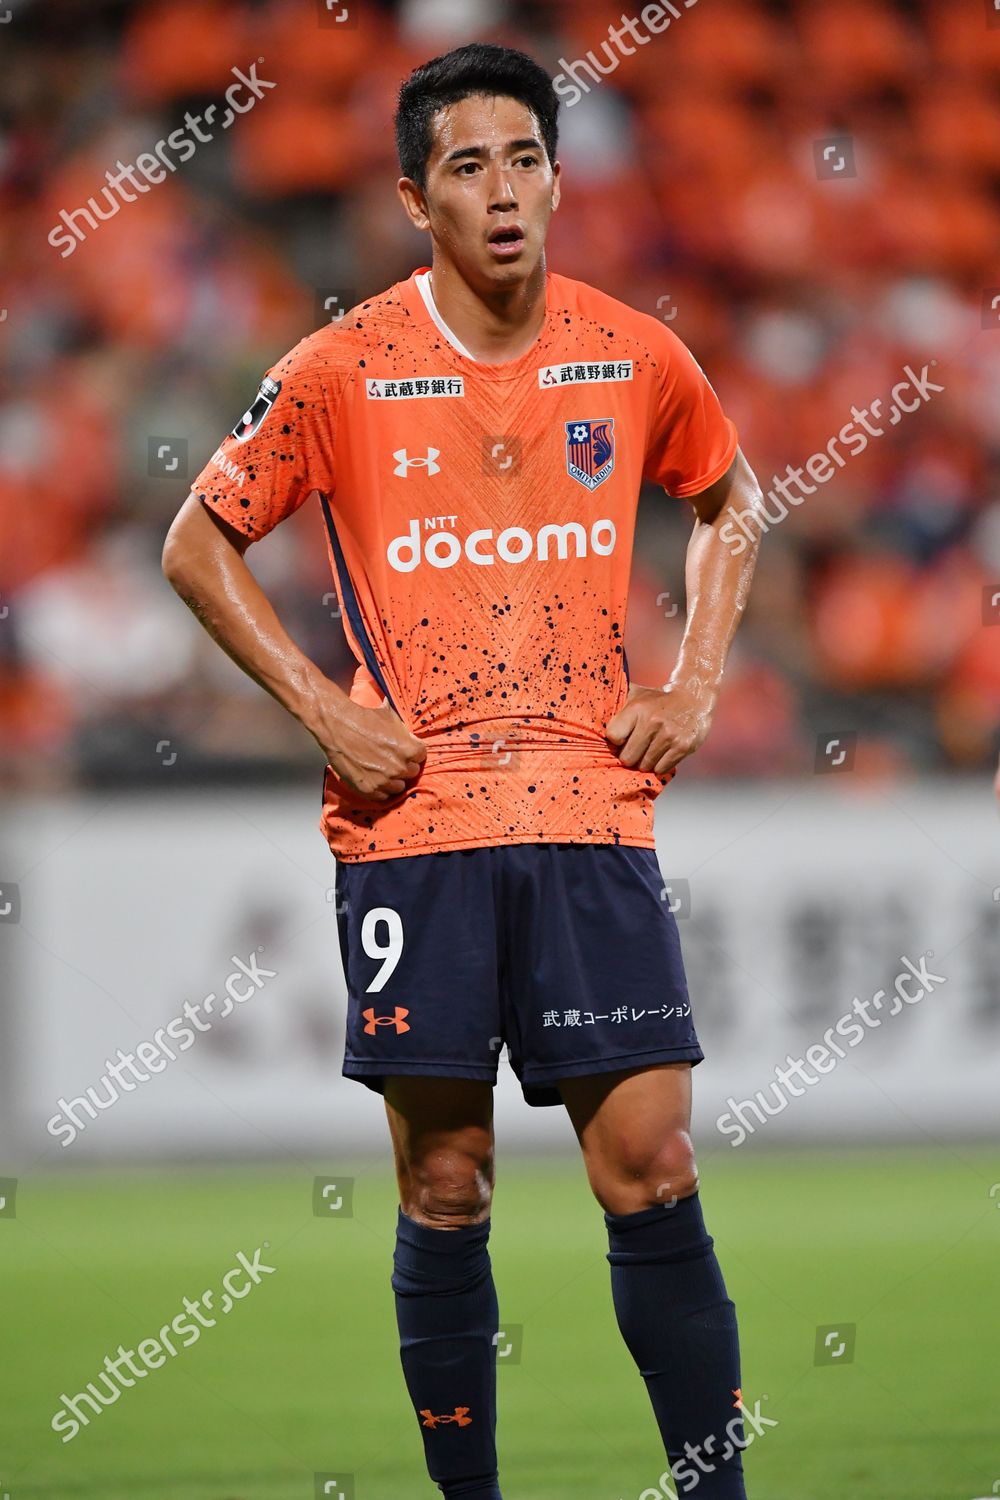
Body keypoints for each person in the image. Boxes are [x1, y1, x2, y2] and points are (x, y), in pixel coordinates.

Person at [162, 42, 763, 1500]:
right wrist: (322, 709)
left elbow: (731, 498)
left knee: (658, 1169)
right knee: (448, 1186)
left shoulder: (630, 350)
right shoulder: (339, 368)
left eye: (526, 160)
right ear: (414, 196)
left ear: (560, 177)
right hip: (414, 825)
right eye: (469, 167)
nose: (504, 192)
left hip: (586, 812)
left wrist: (693, 681)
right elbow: (195, 541)